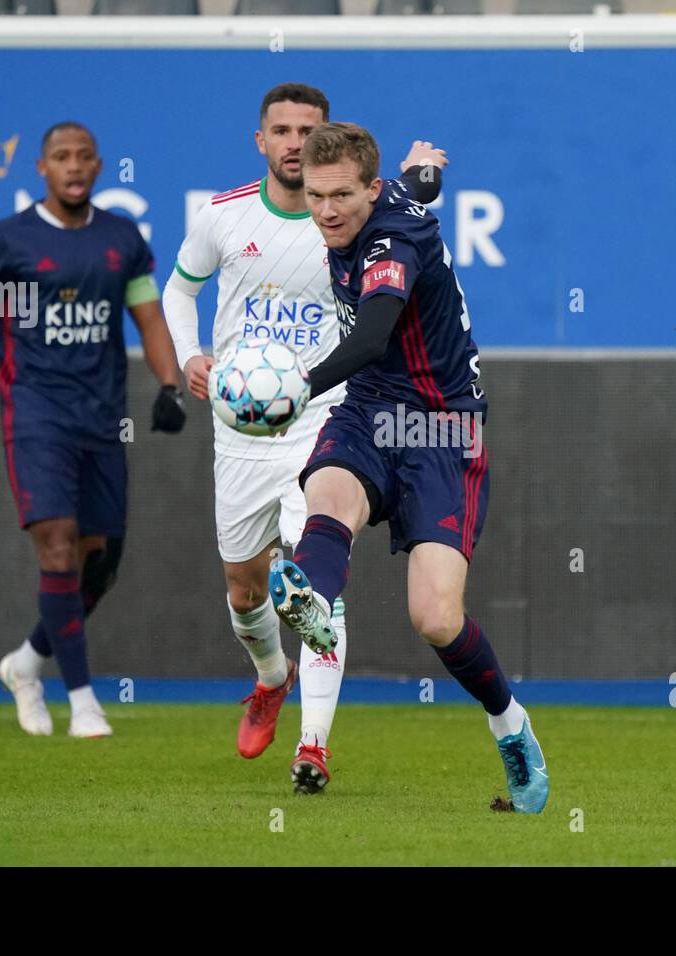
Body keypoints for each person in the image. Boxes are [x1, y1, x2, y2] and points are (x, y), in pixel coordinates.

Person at [162, 83, 445, 792]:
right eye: (281, 130)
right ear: (261, 140)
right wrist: (190, 356)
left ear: (328, 144)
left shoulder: (348, 221)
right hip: (239, 433)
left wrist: (418, 178)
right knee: (243, 587)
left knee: (320, 582)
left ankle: (312, 746)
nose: (294, 142)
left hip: (323, 420)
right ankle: (270, 677)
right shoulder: (222, 218)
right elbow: (177, 290)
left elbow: (395, 212)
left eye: (307, 130)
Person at [268, 122, 548, 812]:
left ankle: (510, 723)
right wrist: (425, 170)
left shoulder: (395, 239)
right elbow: (414, 187)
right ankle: (315, 604)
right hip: (369, 410)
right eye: (314, 195)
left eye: (341, 197)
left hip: (441, 427)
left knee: (435, 617)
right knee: (328, 493)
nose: (326, 211)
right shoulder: (378, 195)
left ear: (370, 190)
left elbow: (371, 335)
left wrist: (298, 384)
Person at [0, 122, 186, 739]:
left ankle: (27, 663)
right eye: (62, 157)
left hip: (102, 422)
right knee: (57, 543)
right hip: (36, 416)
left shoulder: (122, 239)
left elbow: (149, 317)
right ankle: (84, 701)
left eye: (85, 156)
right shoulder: (9, 242)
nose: (74, 166)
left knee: (99, 566)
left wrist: (169, 386)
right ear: (41, 168)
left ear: (100, 164)